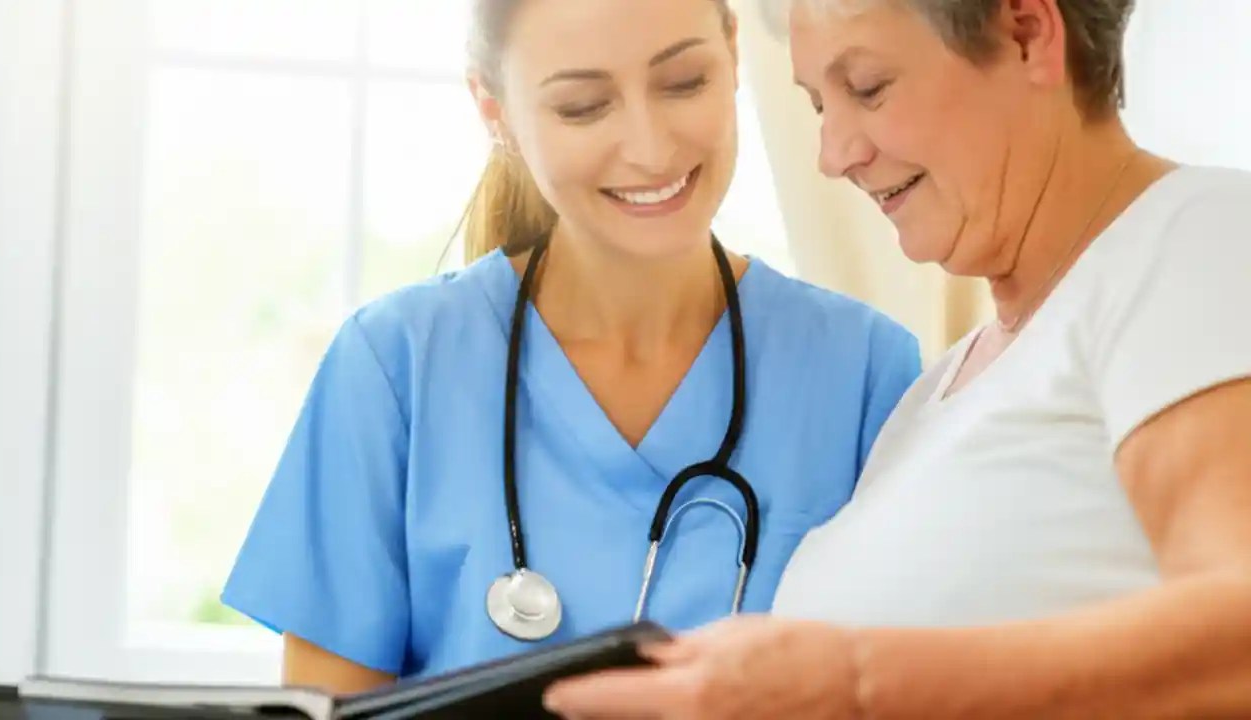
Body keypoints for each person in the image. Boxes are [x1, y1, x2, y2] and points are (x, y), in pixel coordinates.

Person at [542, 0, 1251, 717]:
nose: (834, 154)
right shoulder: (937, 390)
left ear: (1028, 34)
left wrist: (855, 683)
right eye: (820, 104)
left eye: (869, 87)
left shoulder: (1193, 239)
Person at [221, 0, 921, 695]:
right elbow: (326, 711)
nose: (650, 149)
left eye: (683, 83)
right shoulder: (393, 369)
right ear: (495, 111)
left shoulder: (865, 375)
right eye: (584, 106)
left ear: (733, 53)